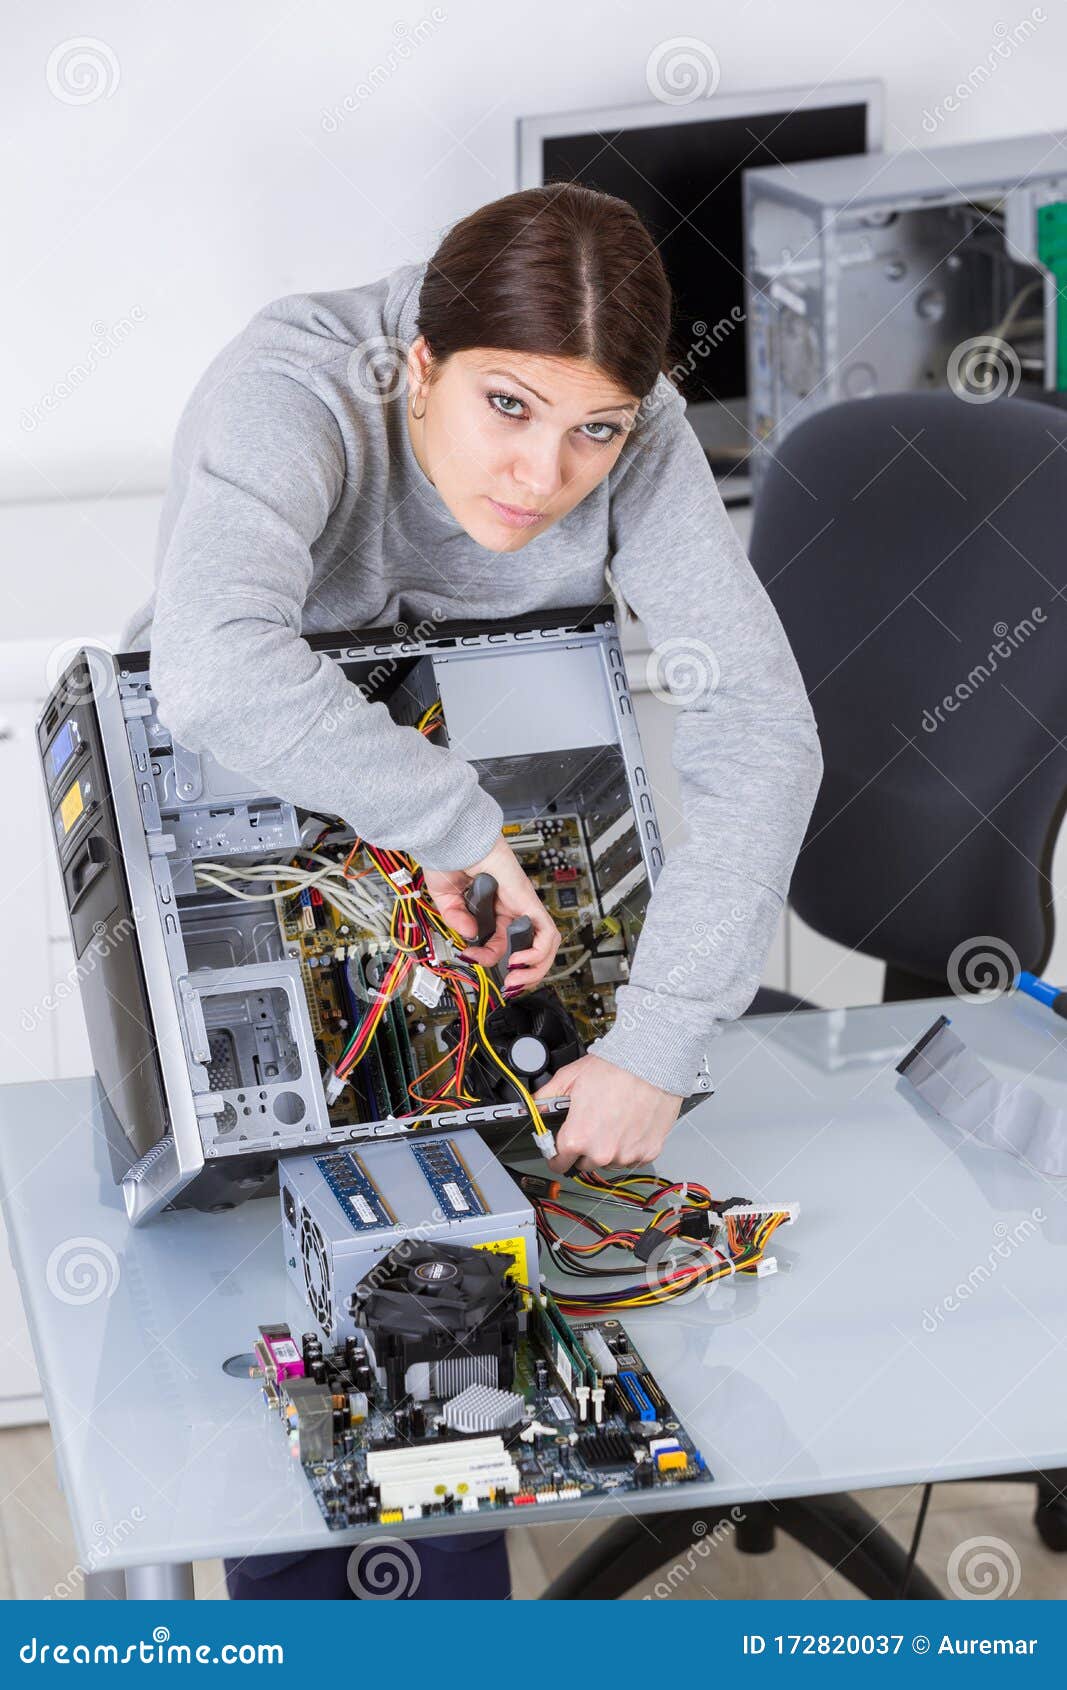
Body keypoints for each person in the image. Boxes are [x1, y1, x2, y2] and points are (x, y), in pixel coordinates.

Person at [119, 183, 823, 1599]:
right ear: (420, 365)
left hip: (469, 870)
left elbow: (761, 723)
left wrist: (657, 1037)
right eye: (507, 408)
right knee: (275, 1325)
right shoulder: (298, 387)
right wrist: (448, 819)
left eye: (594, 432)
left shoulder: (633, 430)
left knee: (448, 1305)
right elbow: (214, 665)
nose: (546, 473)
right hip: (250, 822)